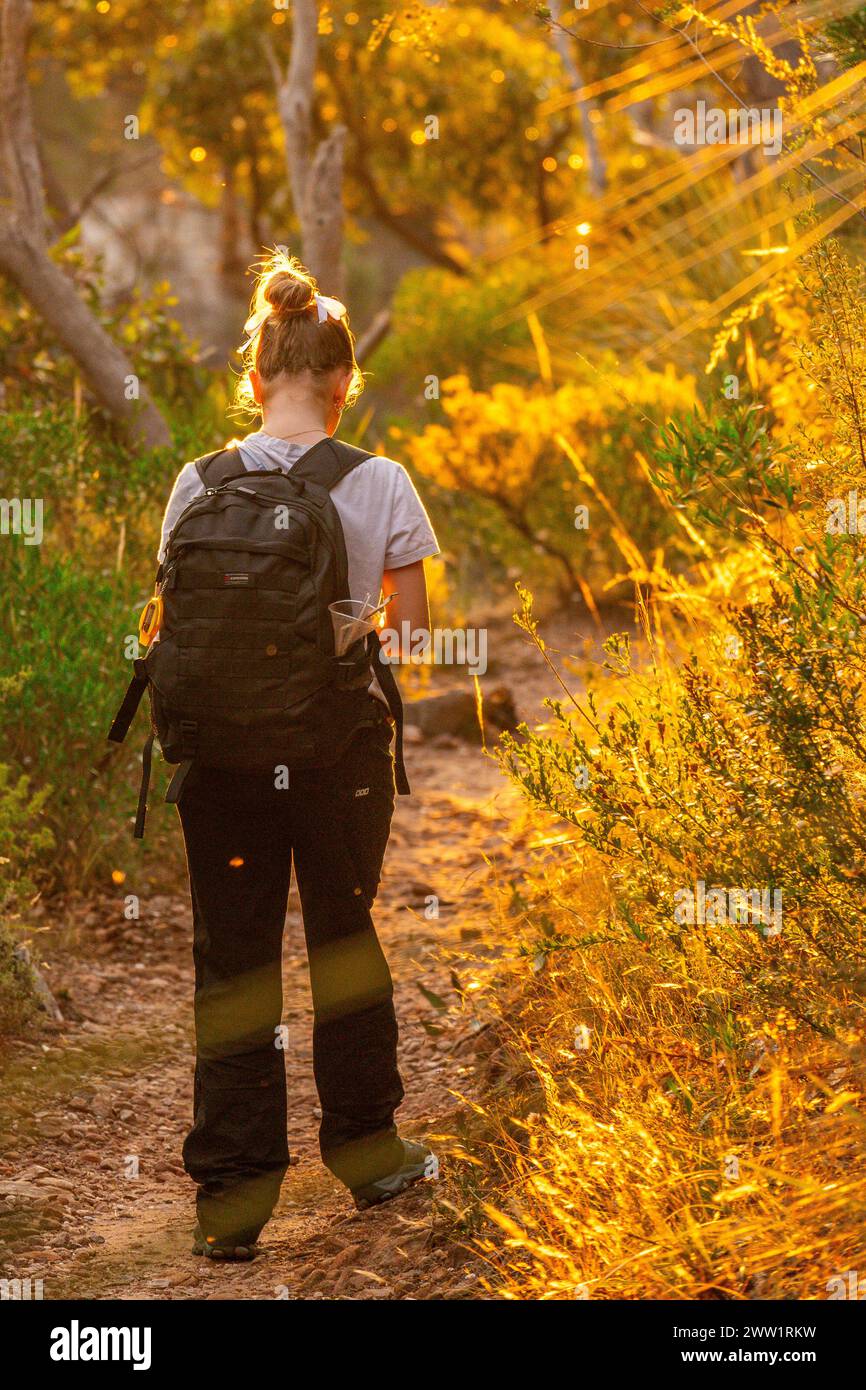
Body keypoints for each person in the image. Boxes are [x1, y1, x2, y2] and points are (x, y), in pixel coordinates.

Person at [157, 252, 440, 1260]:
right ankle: (369, 1157)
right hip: (335, 754)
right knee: (341, 943)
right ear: (341, 382)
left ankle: (229, 1206)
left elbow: (171, 629)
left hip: (221, 762)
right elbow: (407, 634)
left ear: (253, 377)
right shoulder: (379, 481)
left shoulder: (198, 482)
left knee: (232, 964)